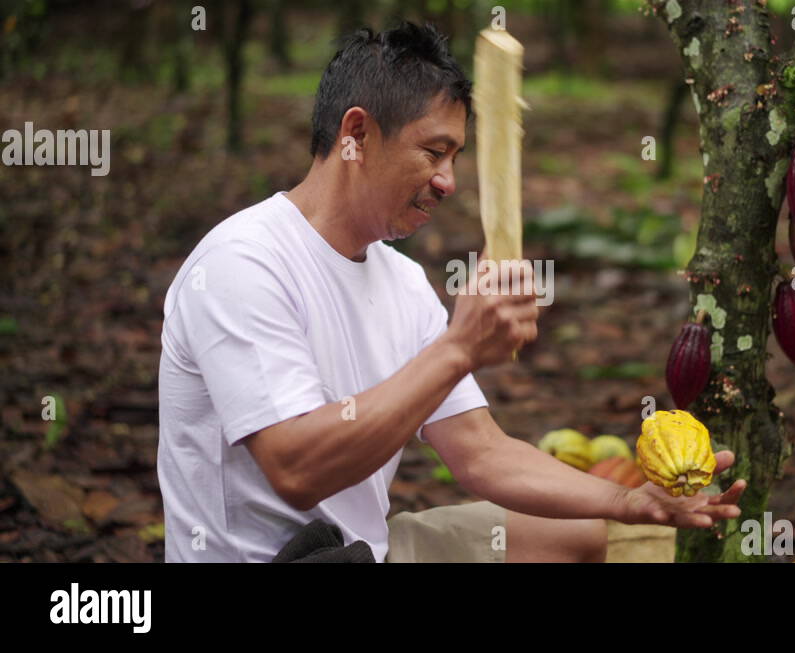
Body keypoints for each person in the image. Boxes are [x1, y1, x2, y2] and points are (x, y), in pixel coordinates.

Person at [156, 21, 746, 563]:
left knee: (615, 541)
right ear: (356, 134)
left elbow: (481, 453)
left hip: (373, 550)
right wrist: (459, 349)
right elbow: (296, 467)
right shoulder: (243, 264)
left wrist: (626, 503)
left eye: (457, 156)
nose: (449, 181)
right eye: (434, 151)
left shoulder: (403, 280)